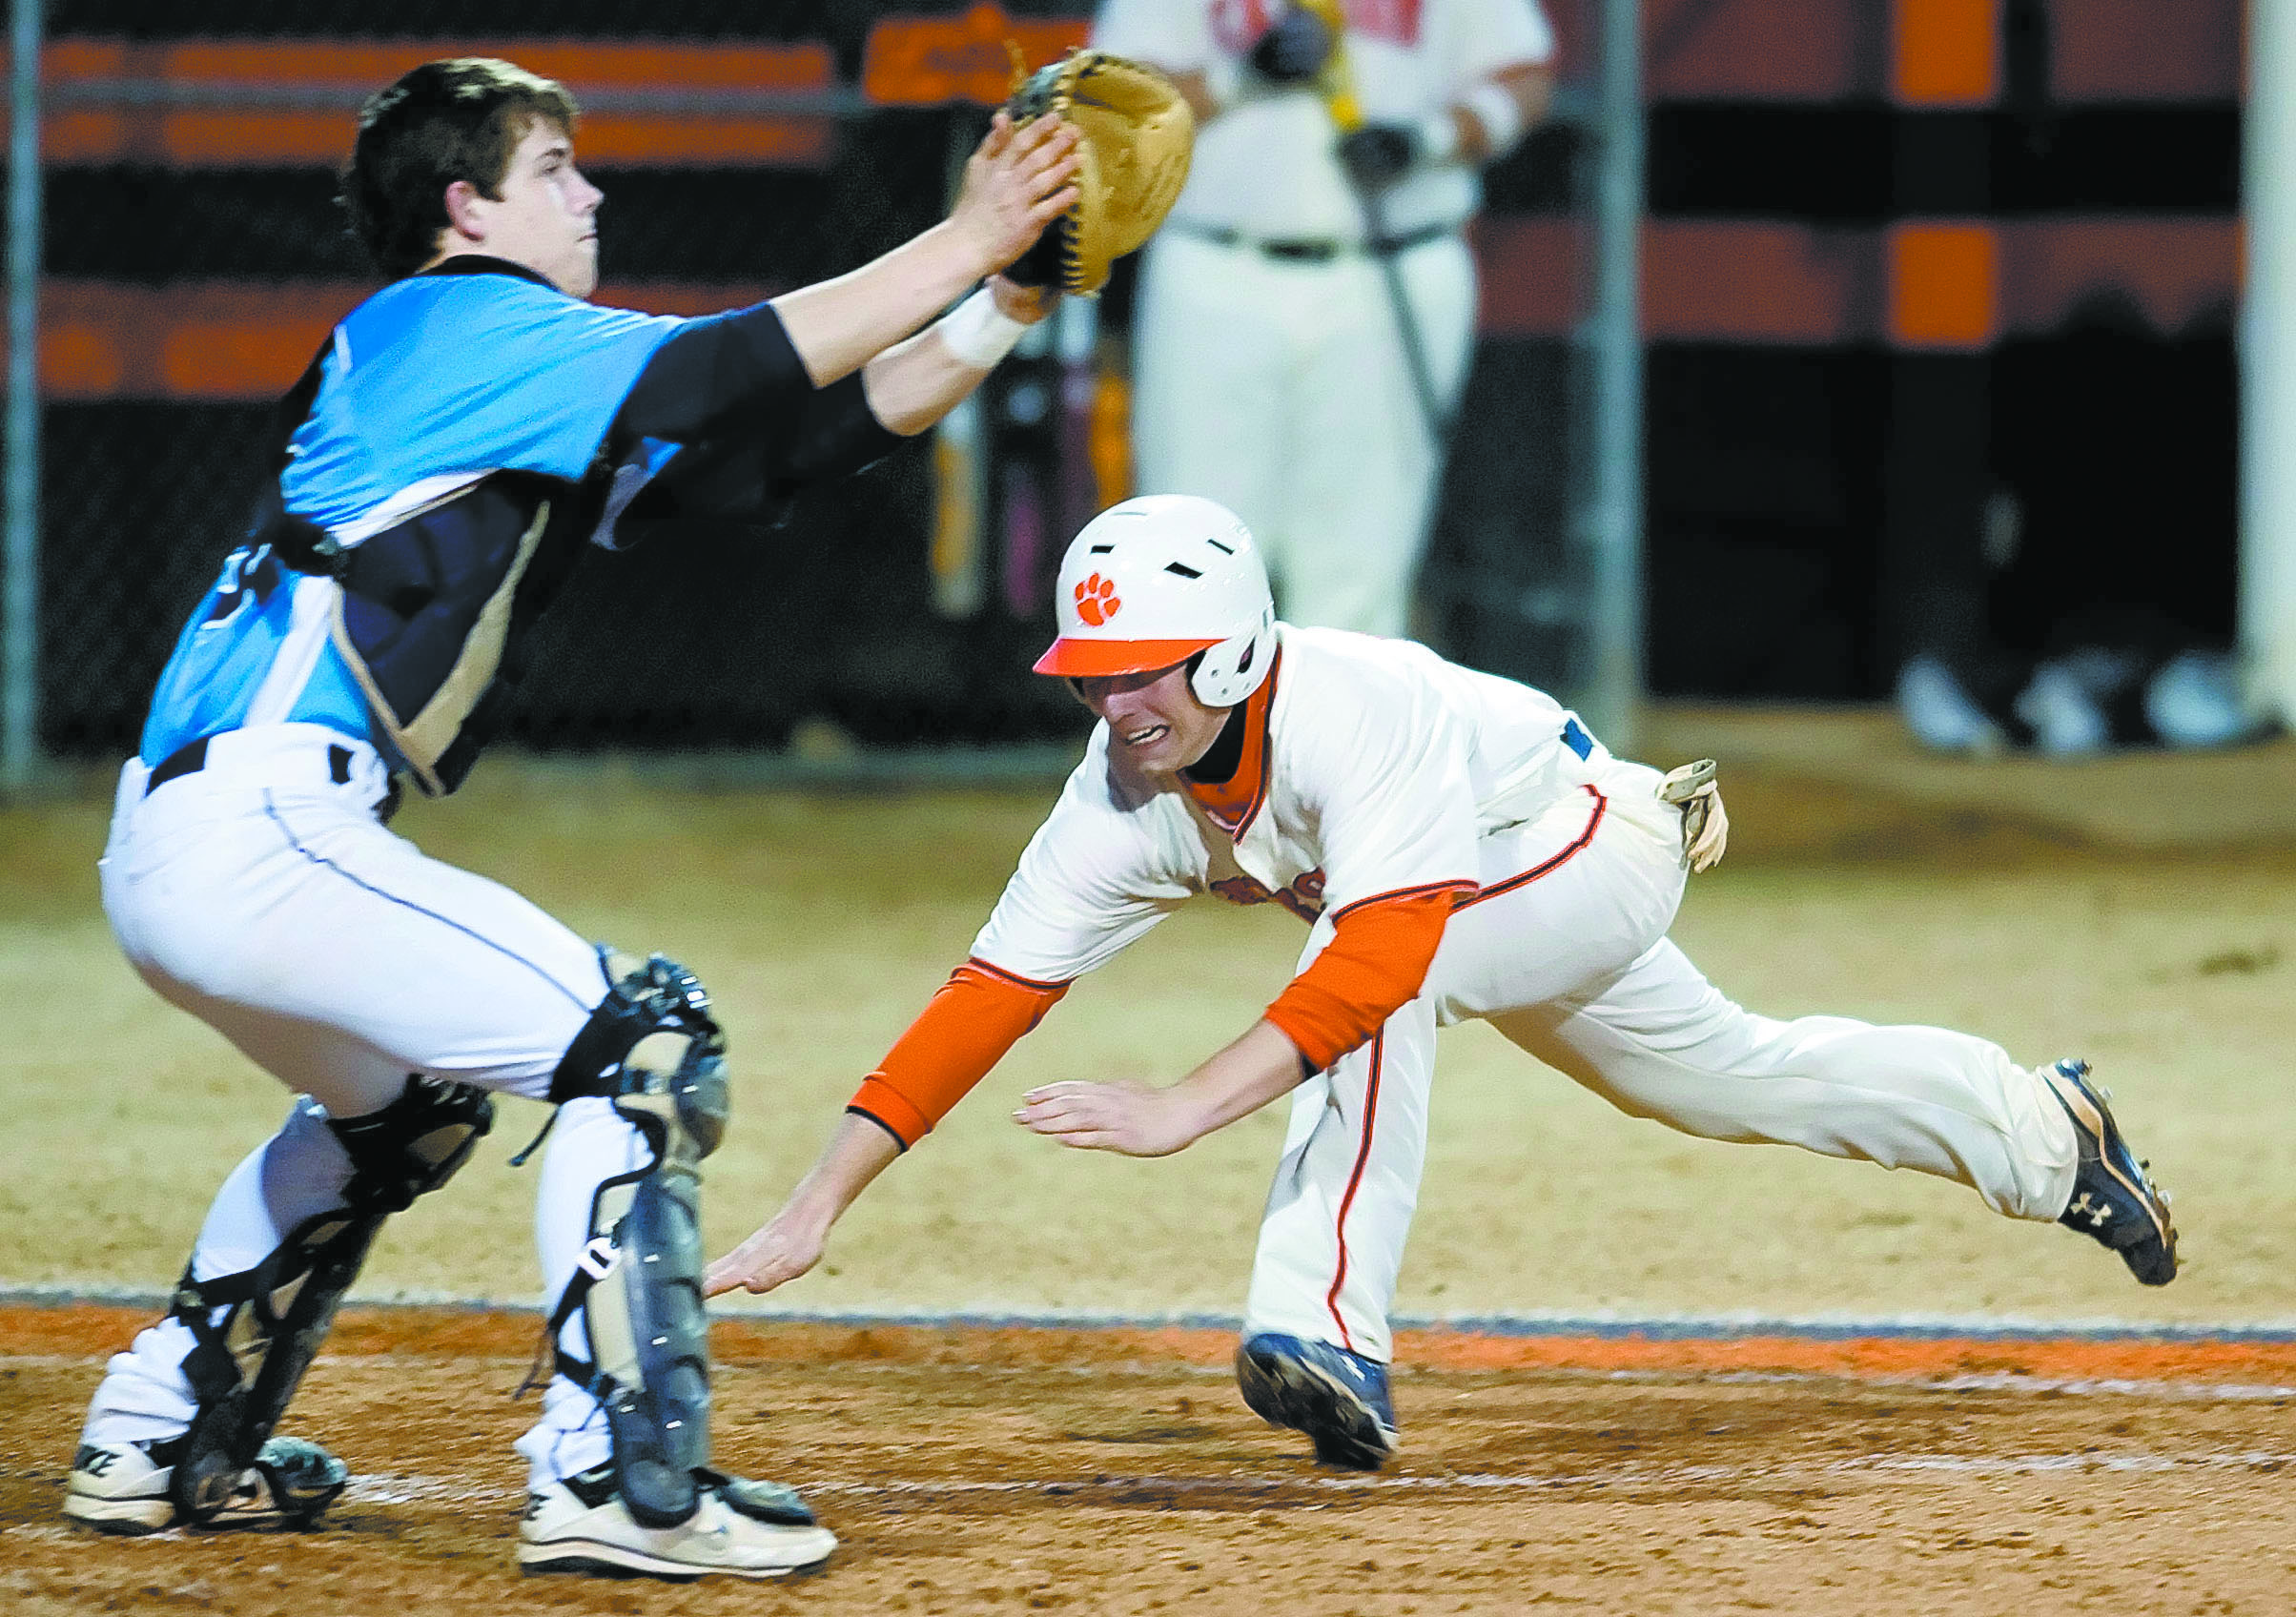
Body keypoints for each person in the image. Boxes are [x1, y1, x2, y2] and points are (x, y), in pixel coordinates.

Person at [62, 56, 1082, 1581]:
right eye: (552, 169)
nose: (589, 192)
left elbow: (790, 446)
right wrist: (969, 234)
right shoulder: (454, 321)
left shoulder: (500, 374)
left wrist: (1007, 303)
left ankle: (156, 1435)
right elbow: (733, 369)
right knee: (644, 1043)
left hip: (197, 841)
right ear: (464, 209)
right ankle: (618, 1478)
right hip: (265, 831)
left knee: (404, 1108)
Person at [707, 493, 2180, 1472]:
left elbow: (1381, 963)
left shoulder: (1362, 711)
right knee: (1731, 1077)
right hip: (1493, 890)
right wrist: (812, 1206)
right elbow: (989, 993)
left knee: (1378, 990)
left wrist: (1182, 1108)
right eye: (1092, 667)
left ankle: (1324, 1332)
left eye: (1141, 665)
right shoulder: (1122, 791)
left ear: (1228, 652)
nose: (1110, 697)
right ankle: (2046, 1134)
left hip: (1591, 845)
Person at [1088, 0, 1555, 637]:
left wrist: (1430, 139)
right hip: (1218, 268)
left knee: (1359, 562)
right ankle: (1197, 734)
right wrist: (1238, 75)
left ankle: (1334, 736)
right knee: (1190, 551)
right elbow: (1115, 102)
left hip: (1390, 261)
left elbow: (1522, 73)